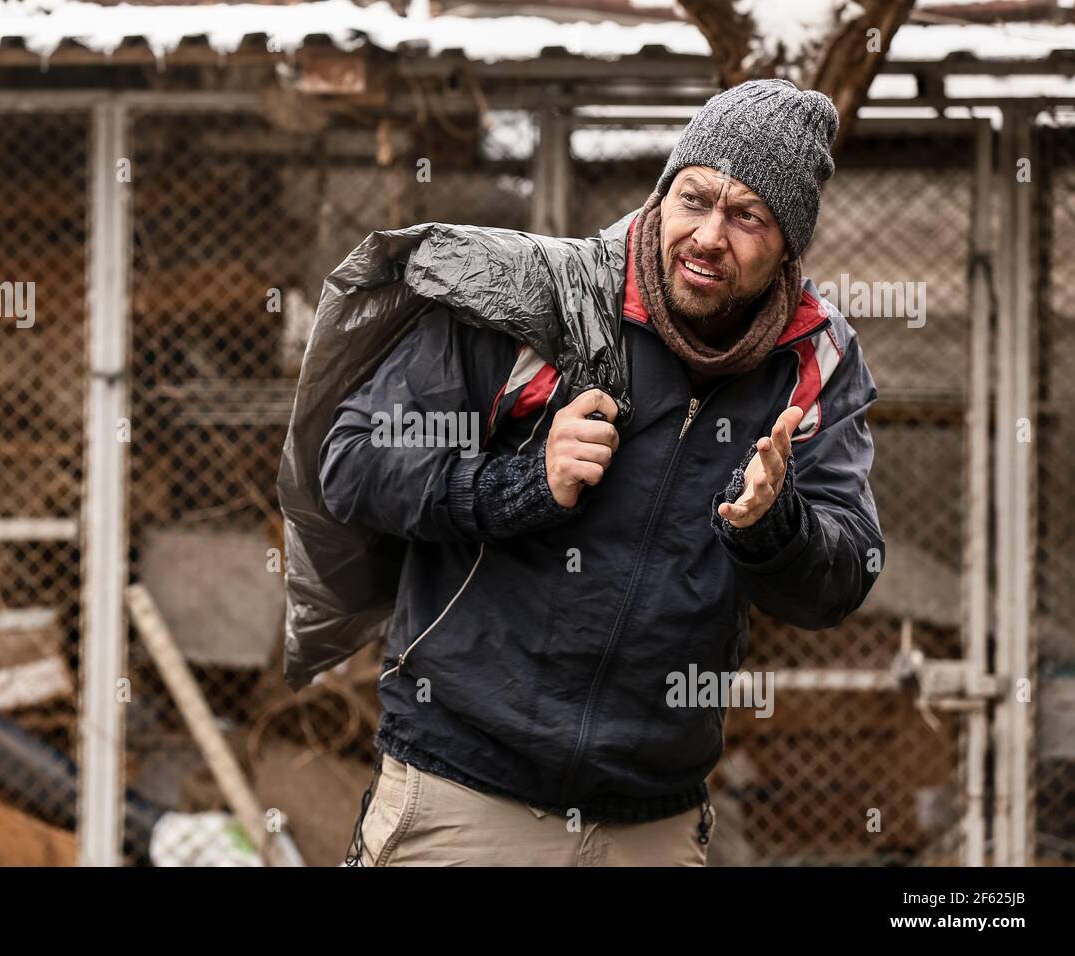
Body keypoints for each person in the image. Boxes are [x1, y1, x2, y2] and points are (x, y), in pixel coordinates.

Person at [318, 78, 882, 866]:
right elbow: (352, 460)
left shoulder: (814, 362)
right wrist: (519, 485)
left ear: (789, 243)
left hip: (647, 821)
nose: (710, 235)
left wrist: (774, 527)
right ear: (661, 197)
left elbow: (844, 577)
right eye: (695, 199)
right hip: (465, 789)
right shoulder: (537, 300)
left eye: (748, 215)